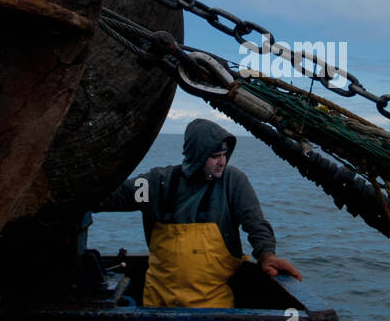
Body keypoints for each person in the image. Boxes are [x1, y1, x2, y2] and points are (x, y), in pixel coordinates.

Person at [92, 118, 302, 308]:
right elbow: (106, 197)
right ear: (195, 155)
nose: (222, 162)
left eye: (224, 155)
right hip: (156, 307)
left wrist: (266, 255)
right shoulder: (156, 184)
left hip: (214, 311)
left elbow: (255, 223)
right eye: (214, 156)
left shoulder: (232, 182)